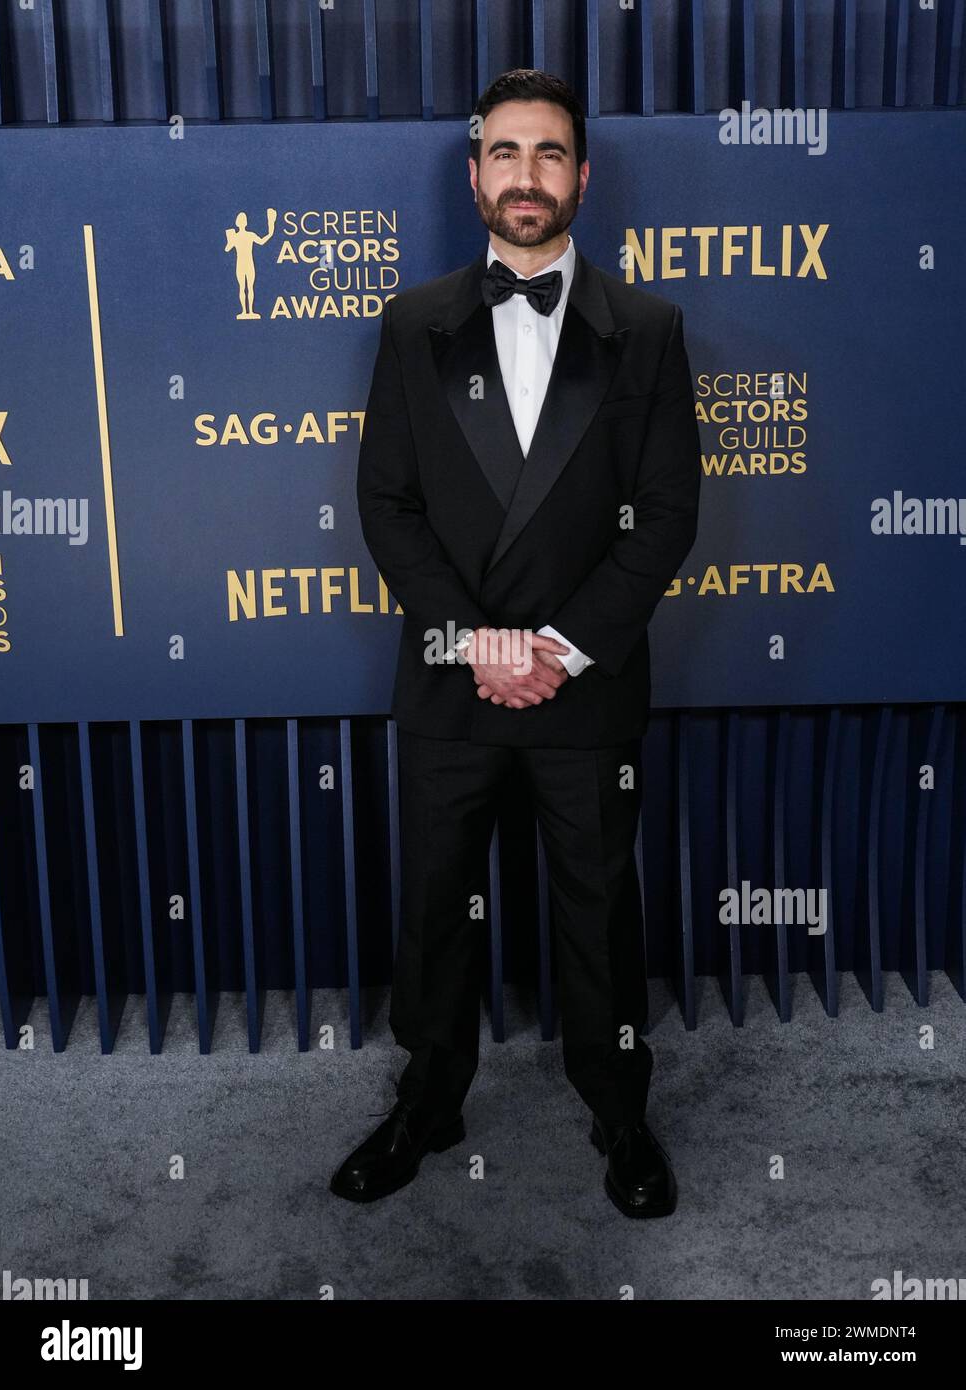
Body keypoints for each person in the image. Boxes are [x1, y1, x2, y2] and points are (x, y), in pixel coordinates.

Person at [331, 68, 701, 1218]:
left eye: (549, 154)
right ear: (475, 172)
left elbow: (667, 514)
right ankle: (428, 1103)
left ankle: (620, 1109)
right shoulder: (412, 323)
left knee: (599, 911)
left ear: (581, 176)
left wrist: (558, 647)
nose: (526, 175)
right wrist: (477, 640)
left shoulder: (647, 329)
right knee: (437, 908)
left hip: (584, 691)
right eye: (505, 153)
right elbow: (387, 504)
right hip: (452, 684)